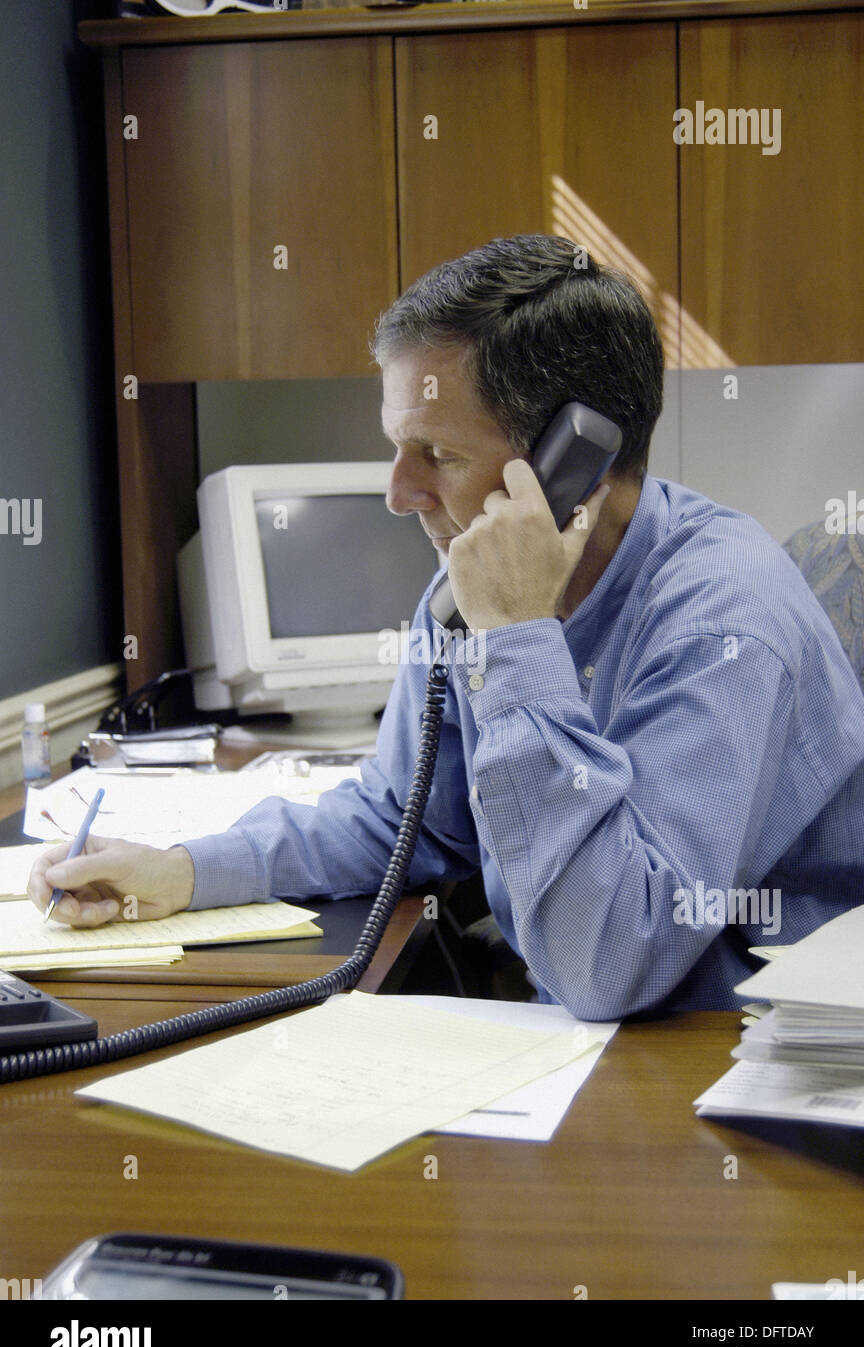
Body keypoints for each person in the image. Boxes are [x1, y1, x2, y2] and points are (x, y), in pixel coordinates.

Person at [29, 236, 864, 1020]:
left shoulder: (724, 622)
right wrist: (183, 873)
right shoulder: (473, 588)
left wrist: (515, 642)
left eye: (438, 453)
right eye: (398, 447)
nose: (398, 492)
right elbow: (405, 818)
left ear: (574, 462)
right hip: (580, 1029)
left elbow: (610, 961)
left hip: (726, 1051)